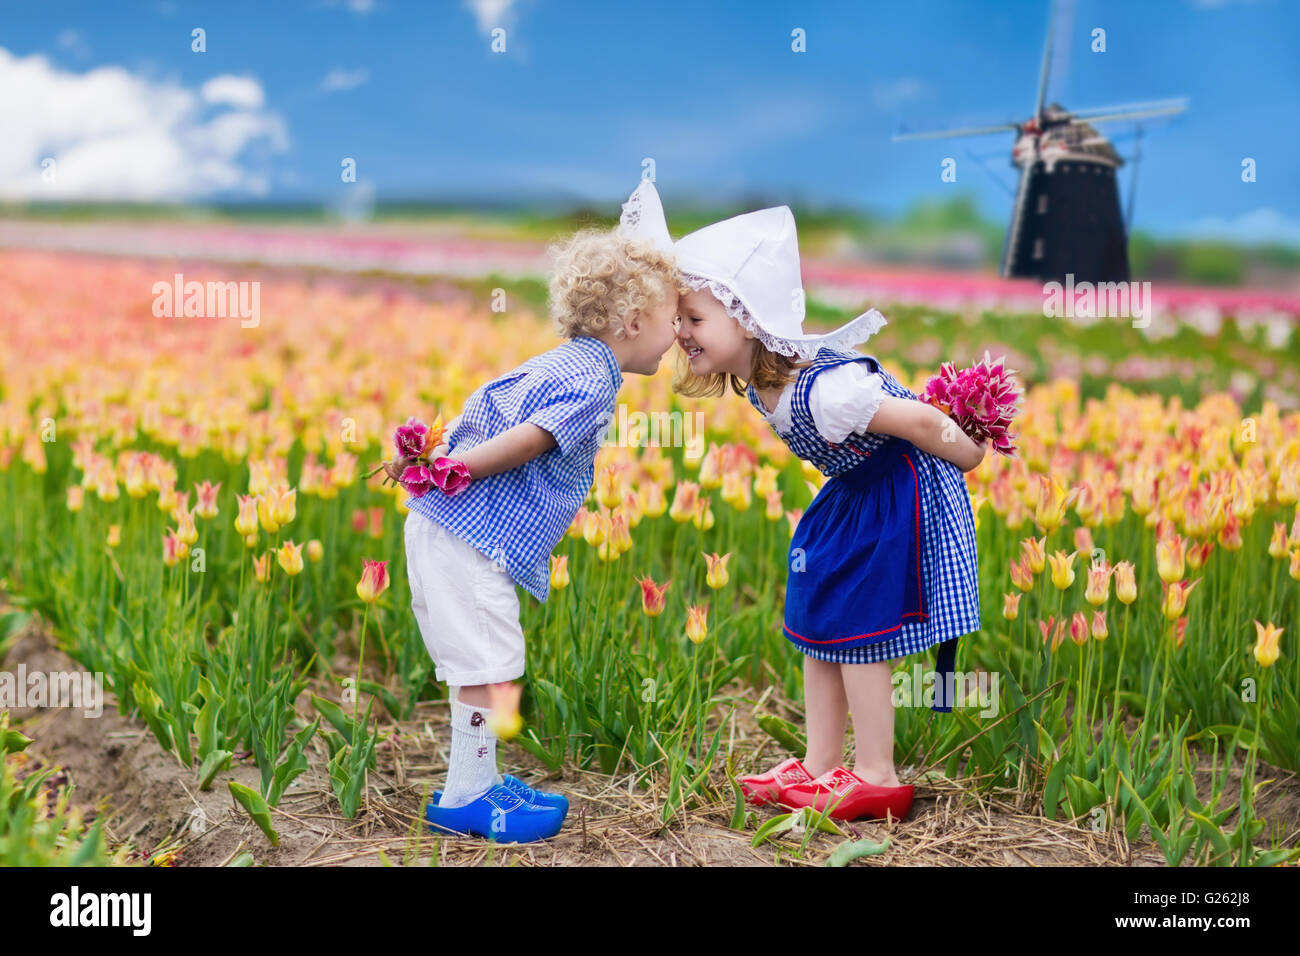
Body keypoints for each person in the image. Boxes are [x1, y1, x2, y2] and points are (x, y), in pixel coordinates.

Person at [384, 180, 687, 842]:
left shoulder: (561, 362)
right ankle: (468, 796)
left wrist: (434, 460)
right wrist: (455, 469)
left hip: (452, 530)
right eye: (674, 317)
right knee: (490, 666)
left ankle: (481, 780)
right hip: (469, 538)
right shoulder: (591, 381)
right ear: (633, 321)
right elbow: (536, 438)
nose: (679, 333)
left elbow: (483, 411)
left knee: (487, 662)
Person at [670, 205, 985, 822]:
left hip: (895, 495)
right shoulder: (764, 384)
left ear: (749, 319)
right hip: (853, 494)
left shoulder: (826, 388)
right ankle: (818, 764)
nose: (682, 330)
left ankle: (877, 773)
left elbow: (918, 420)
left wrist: (969, 453)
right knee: (819, 619)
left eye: (695, 317)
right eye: (679, 317)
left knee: (860, 631)